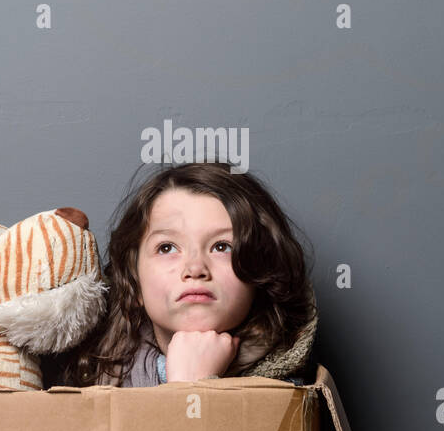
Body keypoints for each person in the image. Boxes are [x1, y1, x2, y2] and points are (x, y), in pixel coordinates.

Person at [50, 161, 318, 387]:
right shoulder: (96, 382)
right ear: (134, 281)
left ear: (260, 270)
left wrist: (191, 385)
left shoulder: (283, 393)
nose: (195, 269)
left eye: (221, 247)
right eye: (167, 248)